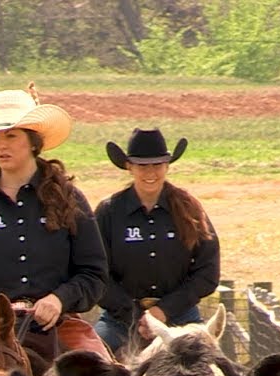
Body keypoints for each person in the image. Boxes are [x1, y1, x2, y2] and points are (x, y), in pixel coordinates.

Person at [0, 85, 110, 365]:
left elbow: (93, 273)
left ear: (33, 141)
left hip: (59, 324)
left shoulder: (68, 199)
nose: (1, 145)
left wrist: (58, 299)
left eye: (11, 135)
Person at [94, 128, 220, 354]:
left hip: (180, 318)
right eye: (142, 165)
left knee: (213, 372)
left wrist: (164, 310)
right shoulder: (109, 212)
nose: (150, 172)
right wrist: (135, 315)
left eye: (157, 165)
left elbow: (207, 272)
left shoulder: (189, 209)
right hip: (120, 321)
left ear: (167, 166)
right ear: (129, 166)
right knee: (90, 363)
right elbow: (96, 271)